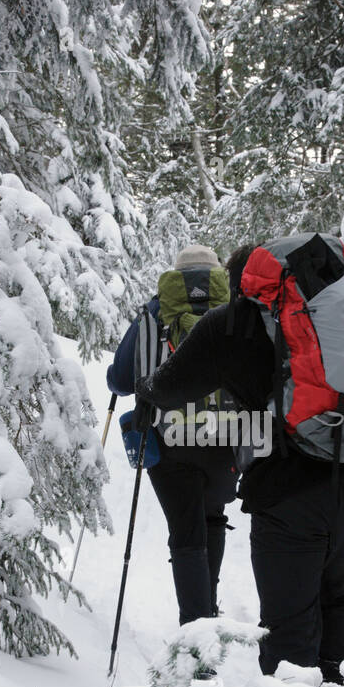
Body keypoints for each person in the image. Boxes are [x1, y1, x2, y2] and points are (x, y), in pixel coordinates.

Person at [132, 234, 344, 682]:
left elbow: (171, 386)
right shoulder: (334, 313)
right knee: (337, 597)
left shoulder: (231, 323)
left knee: (289, 627)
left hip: (290, 490)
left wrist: (145, 392)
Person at [107, 244, 237, 625]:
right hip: (225, 435)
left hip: (168, 439)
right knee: (212, 517)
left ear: (175, 275)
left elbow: (120, 381)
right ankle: (207, 614)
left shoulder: (155, 312)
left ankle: (196, 629)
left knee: (186, 531)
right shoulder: (235, 311)